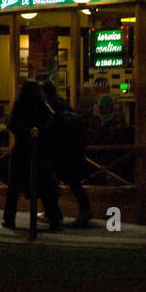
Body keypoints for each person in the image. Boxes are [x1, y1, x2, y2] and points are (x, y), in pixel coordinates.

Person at [4, 80, 63, 231]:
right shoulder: (43, 108)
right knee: (46, 187)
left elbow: (12, 125)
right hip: (40, 152)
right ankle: (55, 220)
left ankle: (9, 219)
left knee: (14, 187)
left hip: (22, 151)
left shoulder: (19, 107)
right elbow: (51, 126)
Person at [41, 81, 92, 228]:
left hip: (60, 150)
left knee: (58, 181)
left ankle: (53, 213)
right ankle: (83, 210)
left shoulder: (51, 105)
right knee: (71, 181)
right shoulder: (62, 102)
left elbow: (51, 127)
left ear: (44, 93)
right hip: (71, 149)